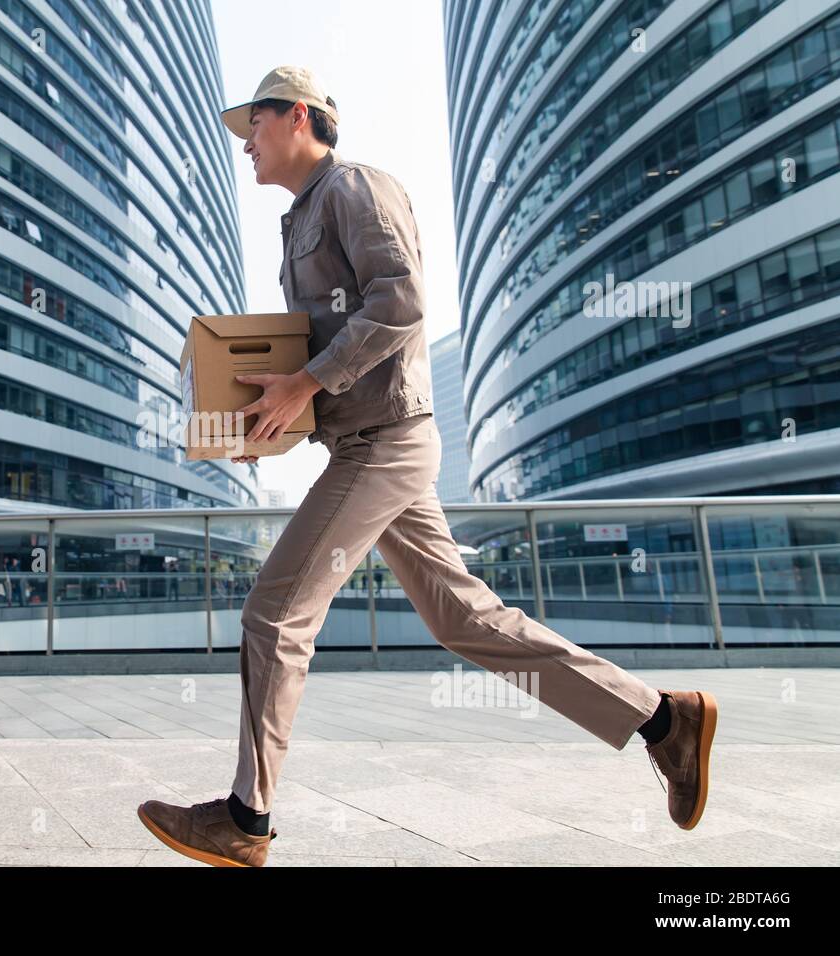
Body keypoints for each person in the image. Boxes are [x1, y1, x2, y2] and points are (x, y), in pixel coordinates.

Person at [137, 66, 717, 868]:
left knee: (275, 611)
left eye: (255, 125)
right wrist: (276, 416)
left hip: (389, 442)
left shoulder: (355, 188)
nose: (246, 143)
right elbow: (330, 346)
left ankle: (246, 818)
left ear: (299, 115)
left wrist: (307, 380)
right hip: (365, 442)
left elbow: (402, 301)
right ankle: (664, 720)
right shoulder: (299, 220)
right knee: (467, 622)